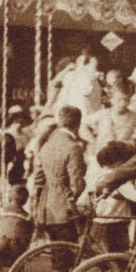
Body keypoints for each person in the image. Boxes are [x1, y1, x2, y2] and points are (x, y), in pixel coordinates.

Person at [32, 104, 87, 257]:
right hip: (64, 208)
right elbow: (77, 184)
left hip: (47, 207)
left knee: (58, 254)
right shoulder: (73, 147)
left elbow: (38, 177)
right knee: (66, 256)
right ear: (78, 124)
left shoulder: (47, 144)